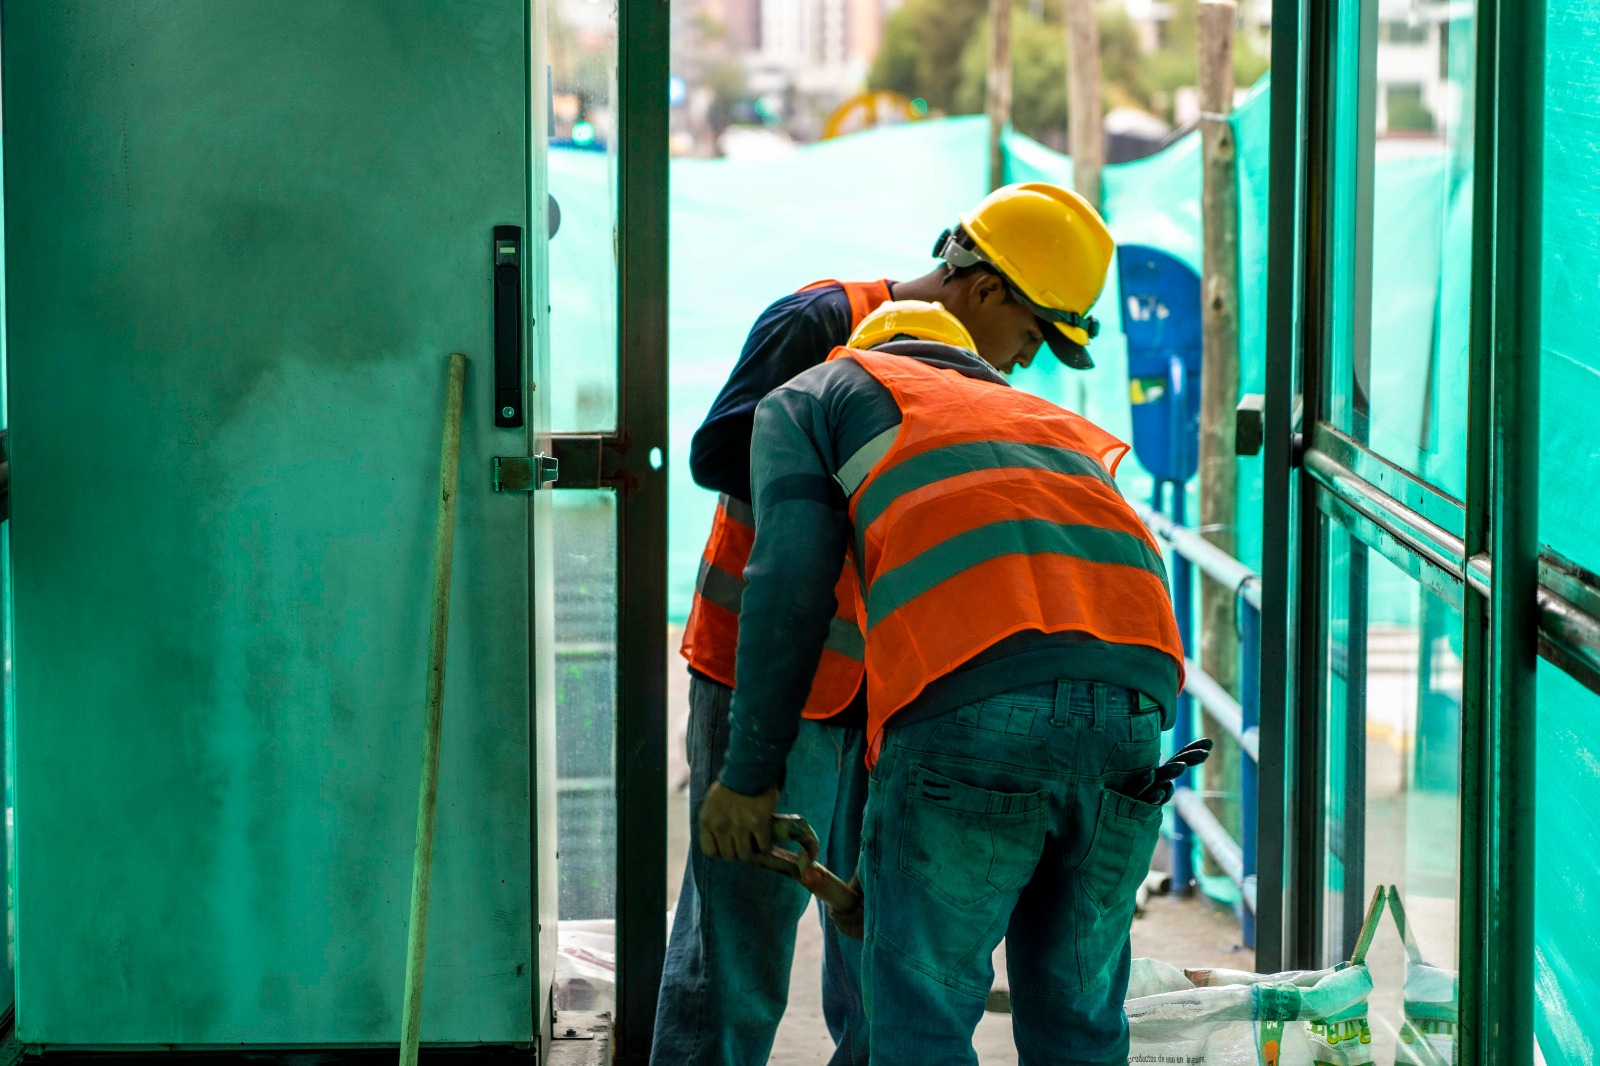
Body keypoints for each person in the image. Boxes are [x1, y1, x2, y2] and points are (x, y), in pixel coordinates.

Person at [655, 182, 1113, 1066]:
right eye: (1028, 338)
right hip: (769, 674)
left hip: (893, 692)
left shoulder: (973, 394)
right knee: (737, 951)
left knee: (880, 951)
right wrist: (846, 463)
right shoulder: (823, 321)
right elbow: (718, 452)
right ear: (986, 289)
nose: (1023, 364)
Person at [697, 295, 1186, 1064]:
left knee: (922, 1021)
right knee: (1080, 1021)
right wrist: (886, 867)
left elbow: (789, 584)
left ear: (864, 353)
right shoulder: (1038, 419)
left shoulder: (815, 393)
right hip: (1136, 703)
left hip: (976, 695)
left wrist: (749, 778)